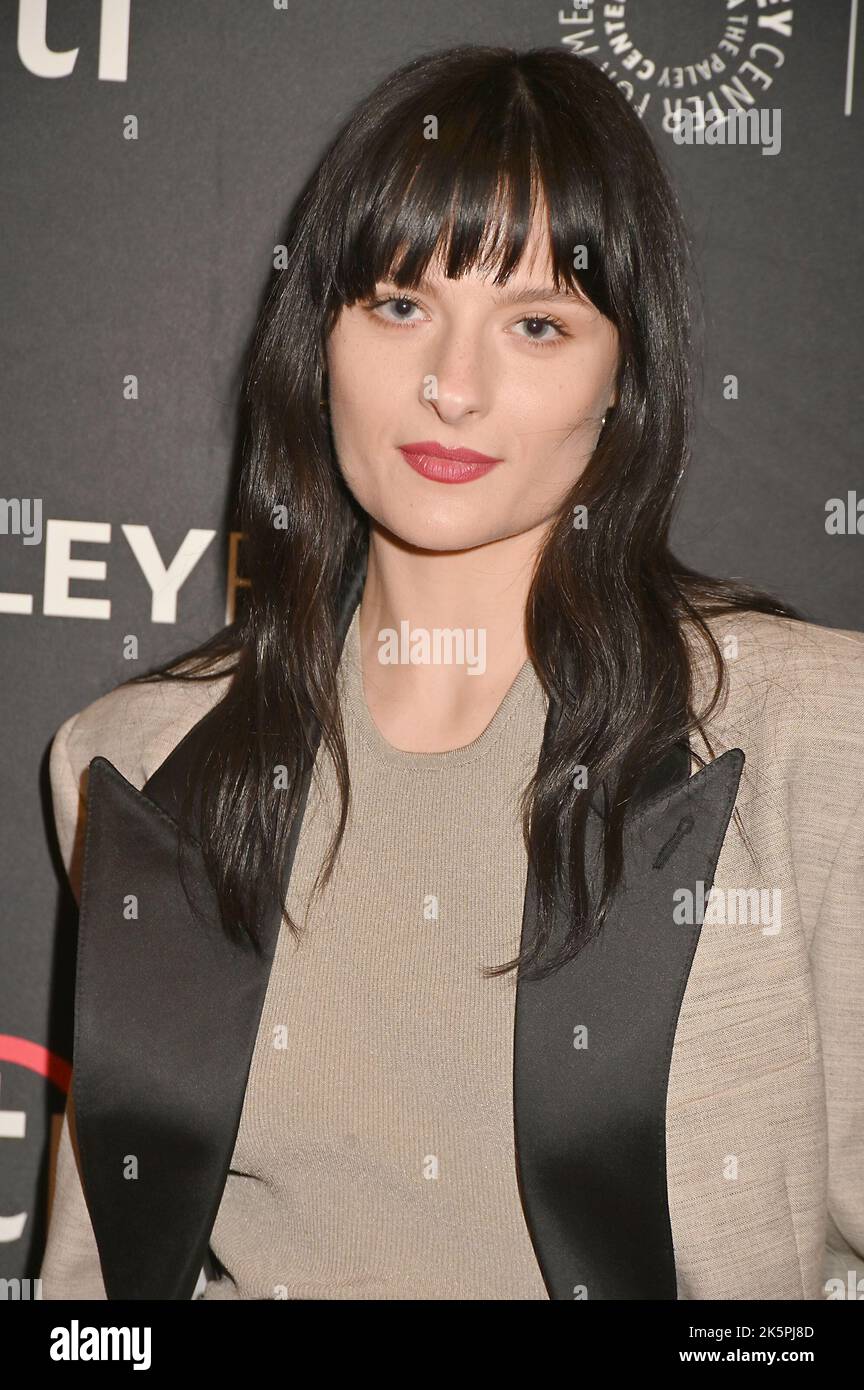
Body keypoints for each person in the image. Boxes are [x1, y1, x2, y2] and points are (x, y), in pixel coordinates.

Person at [40, 44, 864, 1301]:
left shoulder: (812, 739)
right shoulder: (135, 764)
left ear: (622, 381)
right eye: (400, 304)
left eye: (536, 324)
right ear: (317, 337)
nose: (451, 387)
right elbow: (99, 1299)